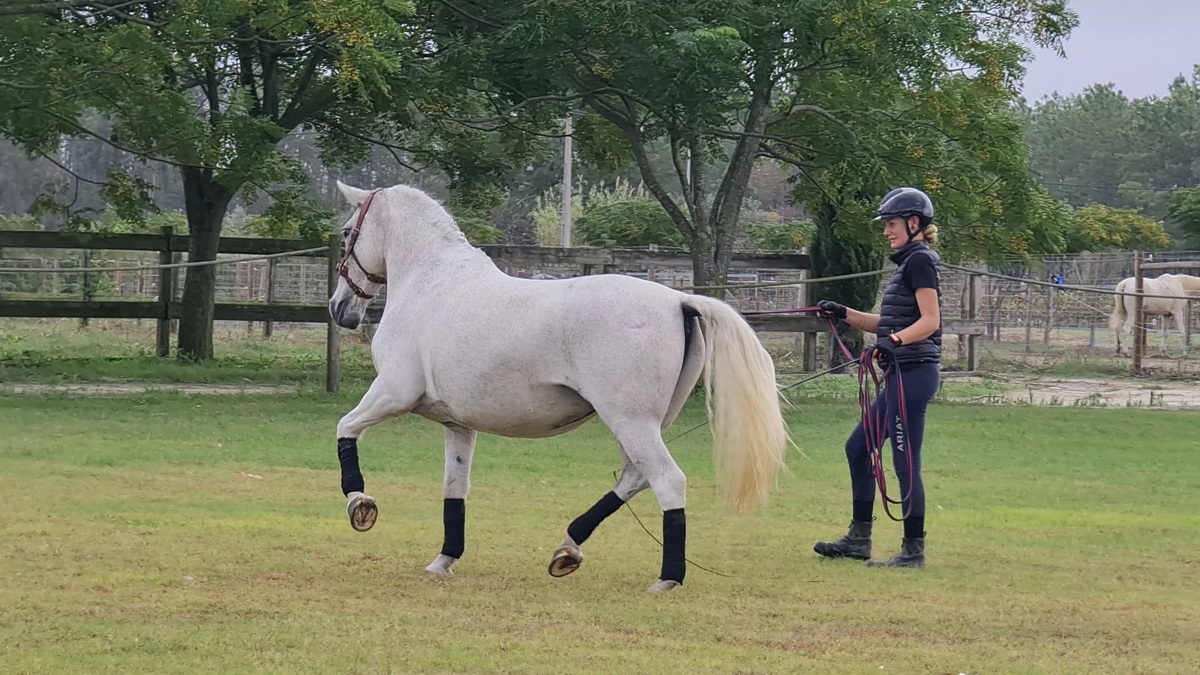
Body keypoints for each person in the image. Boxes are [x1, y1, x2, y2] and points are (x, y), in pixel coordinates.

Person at [812, 187, 943, 568]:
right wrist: (843, 312)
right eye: (886, 225)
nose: (886, 231)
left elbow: (930, 322)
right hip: (901, 371)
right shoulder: (907, 264)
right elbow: (884, 324)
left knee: (905, 463)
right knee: (858, 448)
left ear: (914, 223)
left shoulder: (921, 261)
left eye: (891, 224)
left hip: (914, 374)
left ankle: (913, 551)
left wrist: (895, 342)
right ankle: (858, 539)